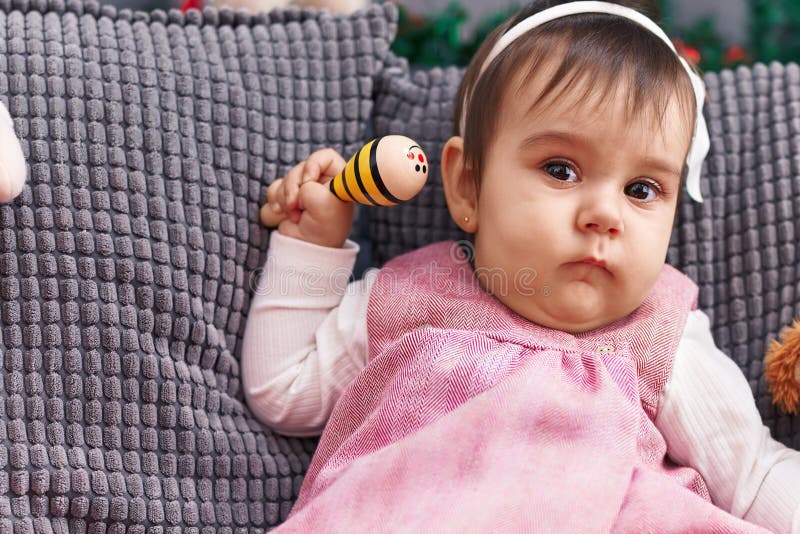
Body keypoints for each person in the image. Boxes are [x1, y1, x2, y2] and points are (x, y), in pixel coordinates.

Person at [242, 1, 800, 531]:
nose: (605, 214)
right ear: (467, 186)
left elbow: (751, 475)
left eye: (642, 188)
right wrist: (311, 242)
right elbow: (283, 391)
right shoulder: (410, 299)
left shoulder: (660, 337)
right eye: (561, 170)